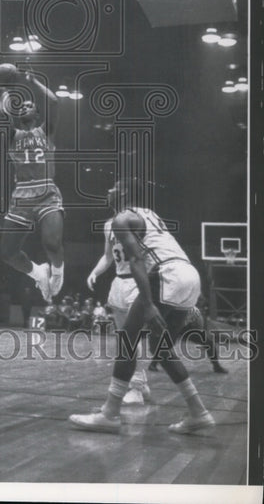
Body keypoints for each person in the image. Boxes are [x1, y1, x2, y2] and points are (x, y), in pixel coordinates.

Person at [70, 178, 215, 435]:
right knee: (160, 348)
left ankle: (110, 414)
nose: (108, 190)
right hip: (189, 273)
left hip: (167, 274)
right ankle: (198, 412)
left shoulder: (121, 219)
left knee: (127, 337)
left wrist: (147, 304)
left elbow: (137, 259)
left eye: (113, 187)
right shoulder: (149, 214)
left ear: (124, 192)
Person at [0, 70, 65, 302]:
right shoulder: (12, 135)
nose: (25, 106)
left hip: (46, 192)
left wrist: (33, 81)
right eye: (21, 105)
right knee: (7, 253)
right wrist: (7, 88)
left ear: (37, 113)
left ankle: (58, 272)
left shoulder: (46, 131)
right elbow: (2, 113)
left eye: (30, 105)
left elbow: (54, 101)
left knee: (52, 243)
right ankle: (39, 274)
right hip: (22, 195)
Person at [87, 216, 152, 405]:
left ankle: (137, 387)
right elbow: (108, 256)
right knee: (124, 339)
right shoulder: (108, 224)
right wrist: (95, 272)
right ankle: (142, 384)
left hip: (137, 279)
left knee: (133, 337)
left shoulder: (140, 219)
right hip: (118, 281)